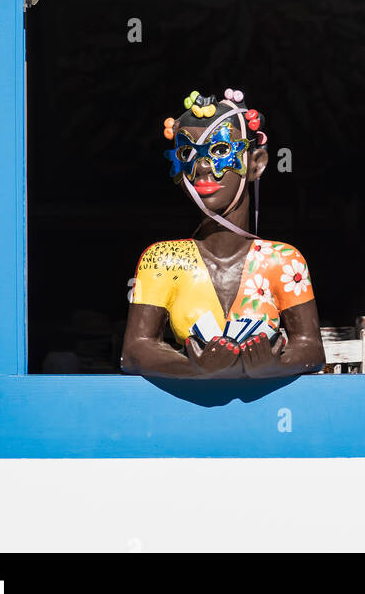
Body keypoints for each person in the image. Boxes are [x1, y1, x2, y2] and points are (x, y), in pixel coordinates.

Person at [121, 88, 324, 379]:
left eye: (219, 151)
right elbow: (135, 350)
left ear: (257, 164)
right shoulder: (163, 261)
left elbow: (311, 348)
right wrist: (194, 368)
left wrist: (273, 365)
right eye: (188, 152)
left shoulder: (282, 261)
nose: (202, 166)